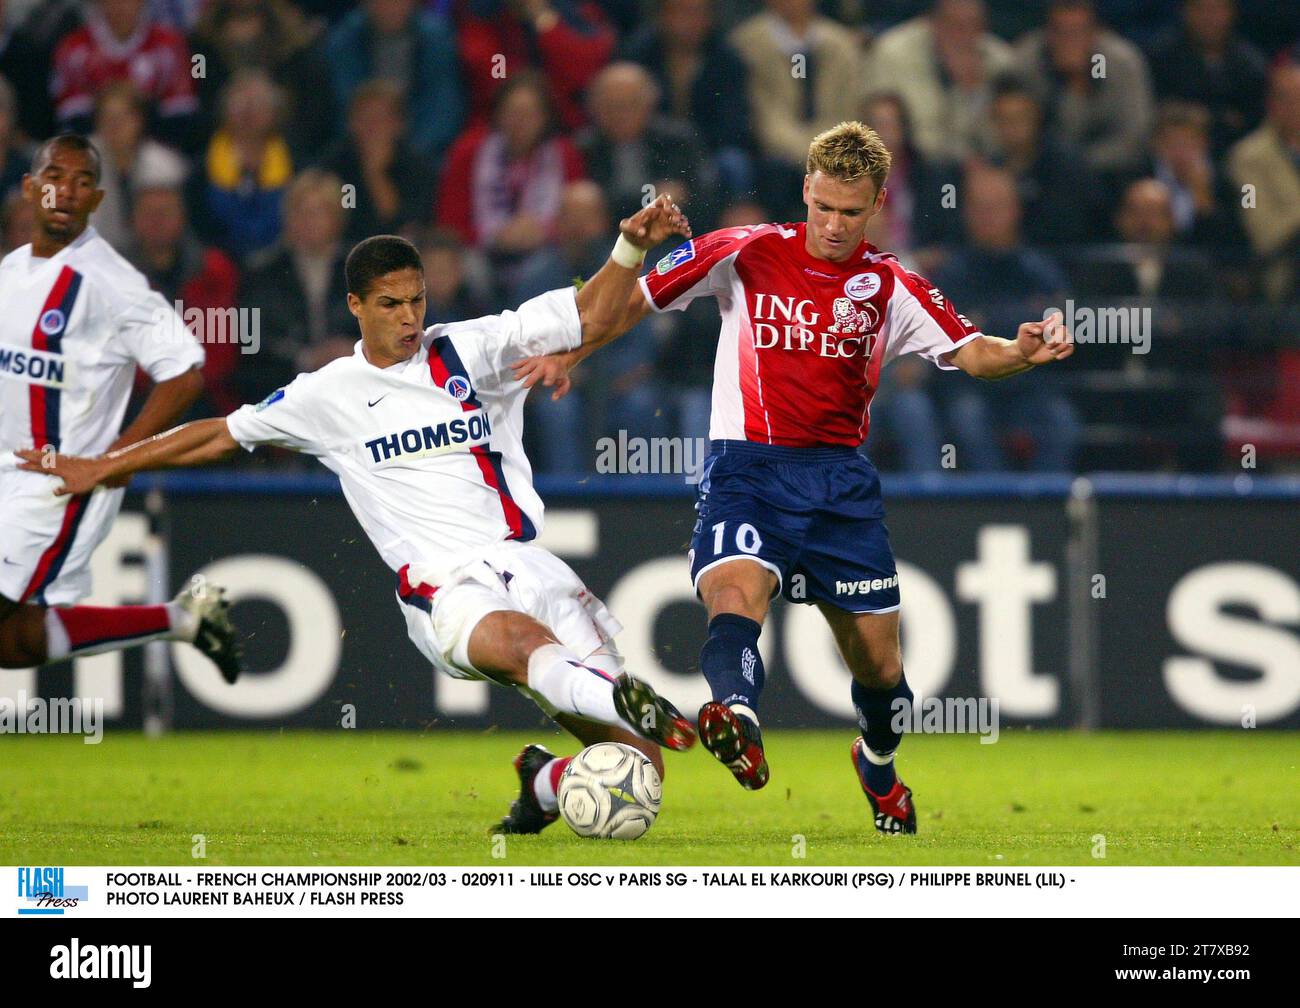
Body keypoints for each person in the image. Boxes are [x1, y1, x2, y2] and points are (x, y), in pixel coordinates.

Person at [21, 196, 699, 836]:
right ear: (355, 306)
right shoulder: (328, 395)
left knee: (641, 773)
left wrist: (627, 249)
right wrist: (102, 467)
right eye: (389, 305)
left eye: (416, 301)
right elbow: (218, 433)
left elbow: (590, 315)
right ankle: (625, 697)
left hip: (525, 564)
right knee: (522, 648)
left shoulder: (474, 349)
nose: (408, 318)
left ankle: (543, 781)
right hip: (445, 589)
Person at [514, 122, 1075, 834]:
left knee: (879, 668)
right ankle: (737, 716)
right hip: (746, 465)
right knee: (733, 590)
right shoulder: (741, 252)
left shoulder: (890, 285)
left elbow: (973, 354)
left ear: (874, 206)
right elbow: (630, 303)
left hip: (838, 481)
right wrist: (573, 352)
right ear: (806, 189)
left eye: (852, 211)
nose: (835, 225)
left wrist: (1021, 349)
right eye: (825, 206)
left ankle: (876, 758)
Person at [0, 134, 237, 681]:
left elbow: (184, 374)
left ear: (98, 201)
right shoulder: (14, 270)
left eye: (84, 182)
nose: (67, 191)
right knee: (15, 642)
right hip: (10, 473)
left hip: (57, 484)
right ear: (29, 189)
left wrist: (111, 460)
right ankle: (183, 619)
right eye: (55, 177)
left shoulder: (112, 282)